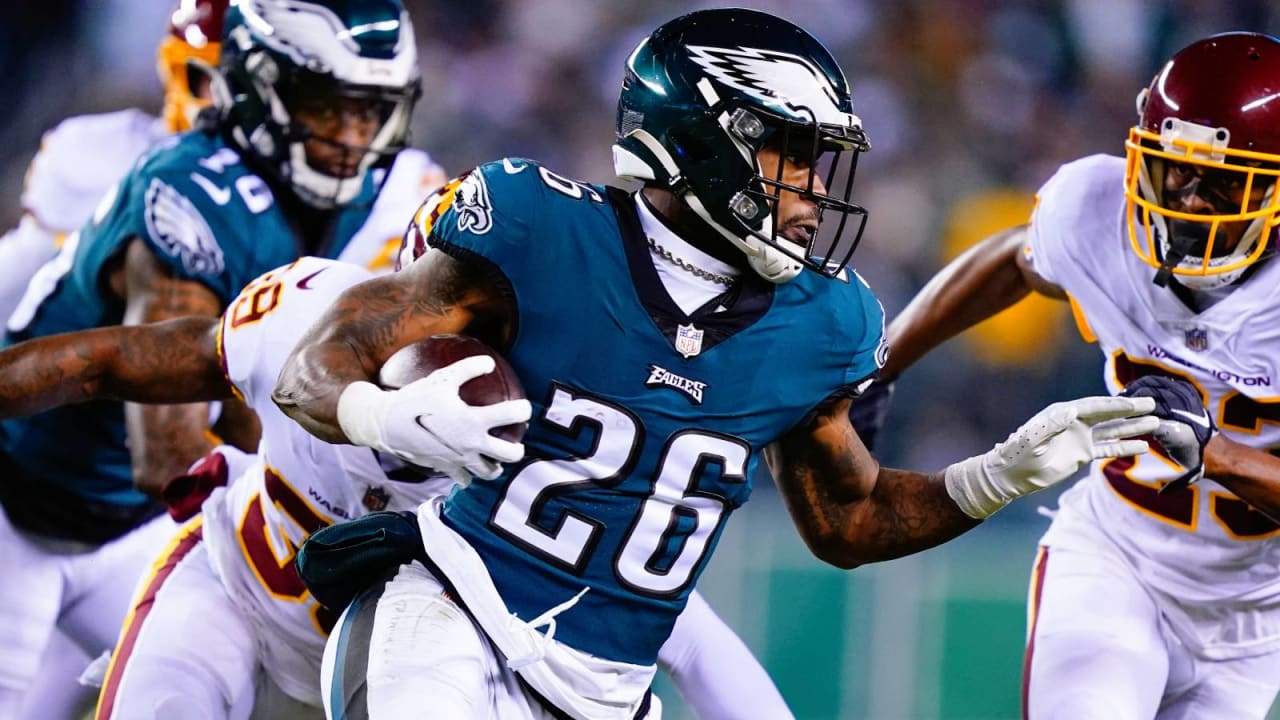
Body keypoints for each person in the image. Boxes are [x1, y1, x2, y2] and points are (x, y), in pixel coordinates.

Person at [271, 9, 1160, 719]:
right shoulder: (540, 228)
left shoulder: (825, 319)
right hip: (451, 615)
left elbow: (846, 522)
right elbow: (319, 363)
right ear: (704, 137)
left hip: (611, 687)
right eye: (794, 155)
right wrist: (382, 417)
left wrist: (994, 477)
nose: (816, 190)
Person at [0, 255, 795, 719]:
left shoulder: (567, 433)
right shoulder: (299, 325)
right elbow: (107, 361)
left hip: (424, 670)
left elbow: (683, 630)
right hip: (238, 592)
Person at [0, 0, 438, 716]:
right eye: (327, 107)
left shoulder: (387, 194)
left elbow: (255, 383)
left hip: (127, 531)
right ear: (256, 86)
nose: (352, 137)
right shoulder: (194, 188)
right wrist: (312, 517)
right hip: (24, 506)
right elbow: (166, 453)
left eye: (374, 111)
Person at [848, 31, 1280, 720]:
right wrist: (881, 365)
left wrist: (1214, 452)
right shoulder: (1099, 209)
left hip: (1254, 629)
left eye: (1225, 182)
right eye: (1177, 171)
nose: (1191, 202)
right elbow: (1018, 260)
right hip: (1117, 564)